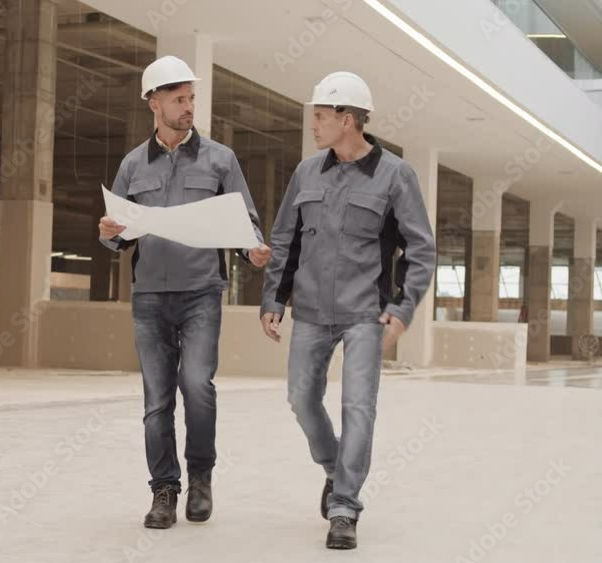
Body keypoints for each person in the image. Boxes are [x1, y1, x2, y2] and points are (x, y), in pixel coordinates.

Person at [260, 71, 436, 549]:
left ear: (349, 119)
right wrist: (273, 297)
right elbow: (285, 238)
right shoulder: (306, 173)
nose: (313, 125)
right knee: (300, 398)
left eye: (320, 117)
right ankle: (335, 469)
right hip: (312, 309)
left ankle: (344, 507)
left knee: (358, 407)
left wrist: (403, 307)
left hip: (366, 312)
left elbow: (421, 248)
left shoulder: (395, 175)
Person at [98, 55, 271, 529]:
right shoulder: (133, 165)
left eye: (191, 98)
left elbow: (247, 223)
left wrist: (251, 250)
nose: (188, 106)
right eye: (179, 99)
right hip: (150, 297)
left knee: (197, 386)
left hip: (201, 293)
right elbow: (116, 235)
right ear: (154, 103)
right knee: (156, 401)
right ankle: (164, 490)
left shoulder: (220, 159)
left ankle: (200, 479)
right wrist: (110, 230)